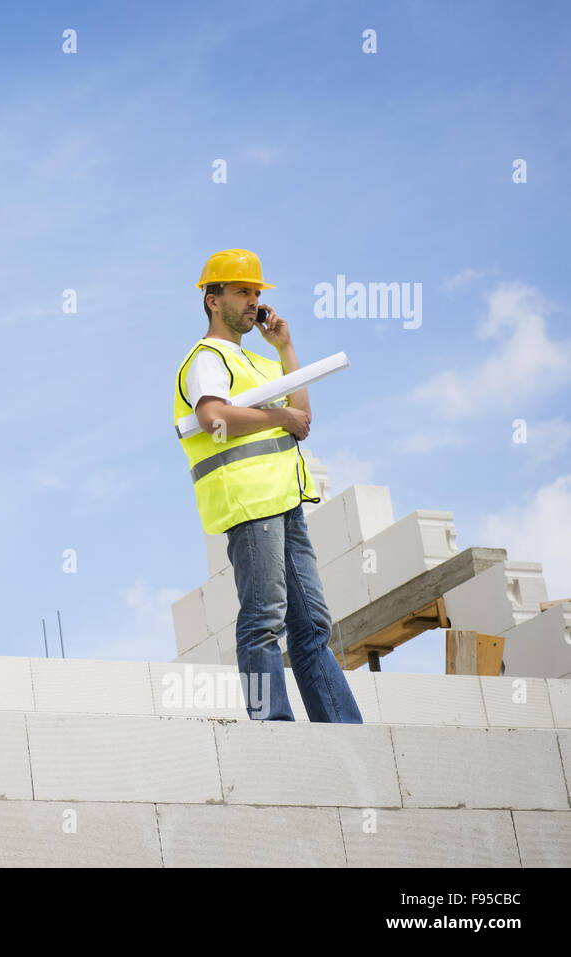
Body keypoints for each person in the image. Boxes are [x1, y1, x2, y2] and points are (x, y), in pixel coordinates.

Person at [173, 249, 361, 723]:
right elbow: (212, 417)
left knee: (313, 625)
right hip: (250, 506)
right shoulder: (207, 359)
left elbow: (303, 419)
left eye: (256, 292)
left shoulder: (258, 362)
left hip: (285, 504)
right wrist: (277, 415)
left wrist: (285, 347)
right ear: (212, 300)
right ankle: (273, 730)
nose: (253, 301)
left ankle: (345, 732)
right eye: (242, 291)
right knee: (262, 622)